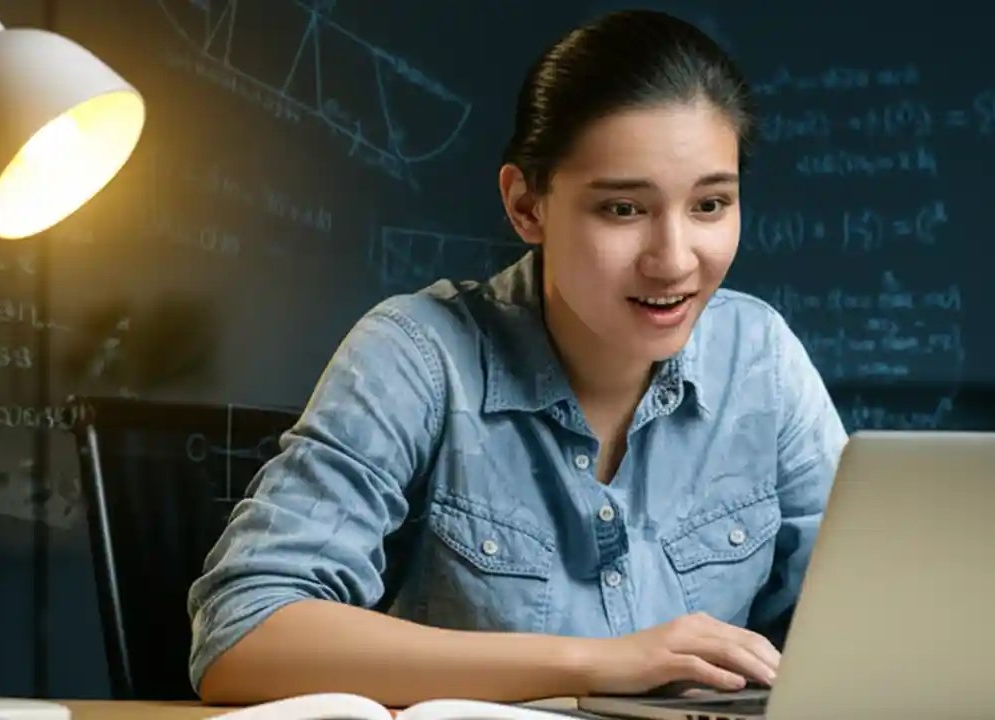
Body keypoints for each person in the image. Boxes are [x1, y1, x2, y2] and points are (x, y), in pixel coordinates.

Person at [187, 8, 846, 708]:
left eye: (711, 205)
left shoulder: (760, 357)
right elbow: (242, 633)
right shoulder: (417, 354)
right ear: (527, 205)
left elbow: (869, 621)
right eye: (623, 210)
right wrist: (595, 664)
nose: (675, 259)